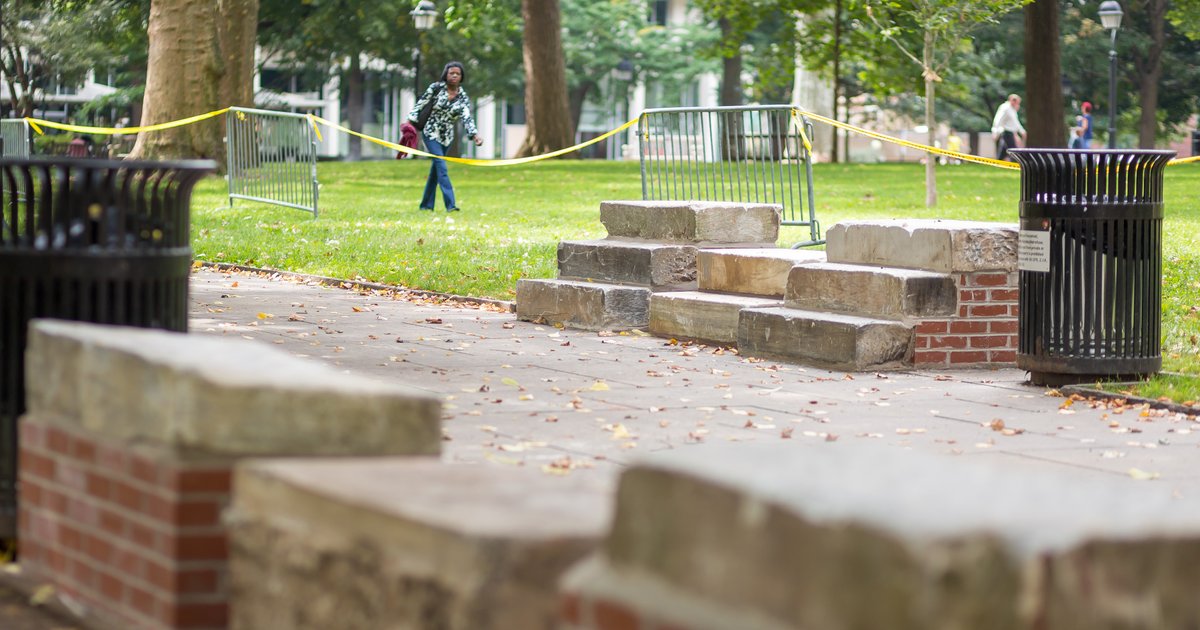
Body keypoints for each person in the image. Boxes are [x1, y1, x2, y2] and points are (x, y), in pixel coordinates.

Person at [408, 61, 483, 212]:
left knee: (436, 170)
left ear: (461, 77)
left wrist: (474, 136)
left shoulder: (462, 97)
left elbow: (467, 118)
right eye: (451, 73)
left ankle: (426, 206)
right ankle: (451, 205)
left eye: (458, 74)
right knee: (442, 167)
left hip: (447, 137)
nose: (454, 76)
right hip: (431, 133)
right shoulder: (435, 88)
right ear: (446, 74)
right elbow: (420, 104)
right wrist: (409, 122)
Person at [991, 94, 1026, 161]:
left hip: (1010, 133)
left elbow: (1015, 122)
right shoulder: (1005, 108)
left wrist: (1022, 131)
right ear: (1012, 101)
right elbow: (998, 120)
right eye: (1017, 103)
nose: (1018, 105)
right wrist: (995, 131)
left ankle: (998, 162)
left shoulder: (1012, 109)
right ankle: (1016, 163)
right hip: (1006, 132)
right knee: (1014, 151)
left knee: (1003, 151)